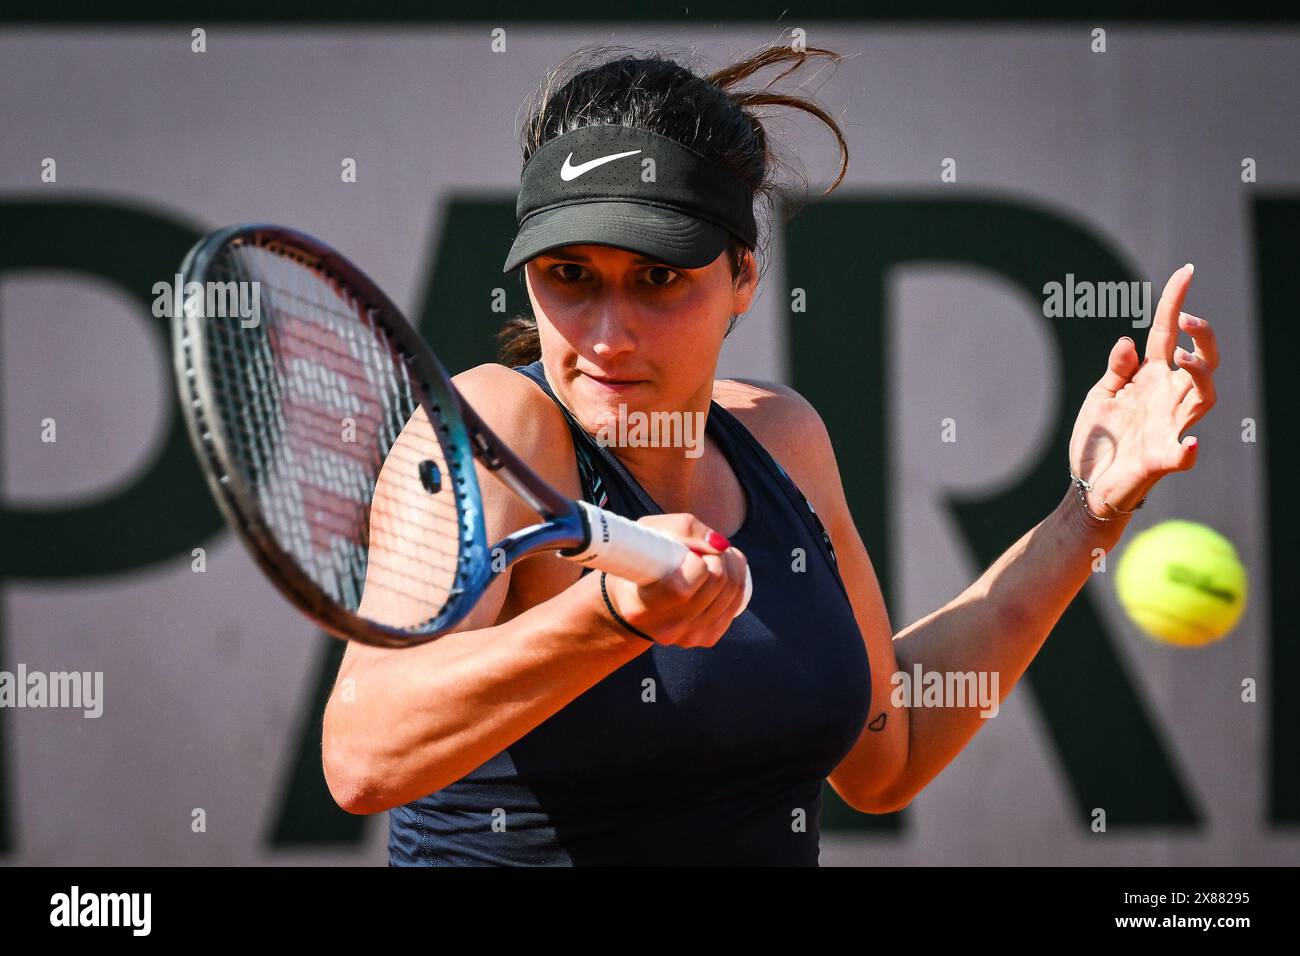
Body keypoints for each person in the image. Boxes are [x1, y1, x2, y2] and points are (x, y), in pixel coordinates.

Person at [321, 43, 1219, 866]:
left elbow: (887, 752)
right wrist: (609, 620)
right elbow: (363, 756)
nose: (606, 335)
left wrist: (1088, 512)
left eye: (658, 277)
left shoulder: (784, 438)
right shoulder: (494, 431)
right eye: (571, 275)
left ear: (744, 276)